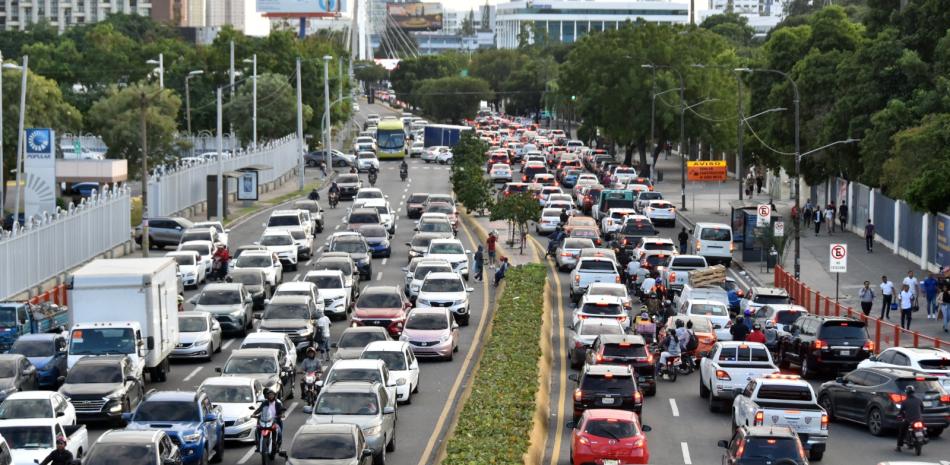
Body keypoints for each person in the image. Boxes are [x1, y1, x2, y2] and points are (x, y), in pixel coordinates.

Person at [895, 385, 925, 452]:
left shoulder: (905, 402)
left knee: (902, 431)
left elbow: (901, 412)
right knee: (923, 428)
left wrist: (900, 416)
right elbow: (922, 409)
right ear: (913, 392)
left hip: (909, 420)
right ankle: (924, 436)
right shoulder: (919, 400)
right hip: (919, 419)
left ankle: (899, 446)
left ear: (907, 393)